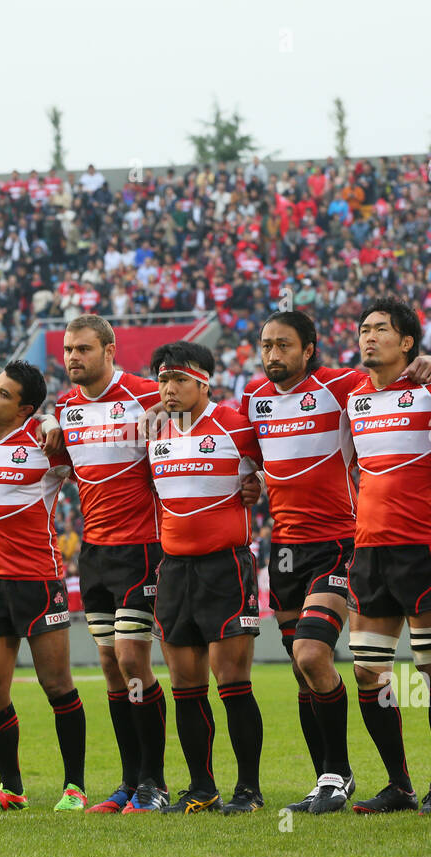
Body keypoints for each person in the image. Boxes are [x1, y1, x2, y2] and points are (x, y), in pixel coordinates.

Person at [245, 311, 431, 813]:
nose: (272, 355)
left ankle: (340, 774)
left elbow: (392, 380)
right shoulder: (252, 399)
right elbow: (246, 458)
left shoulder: (341, 386)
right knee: (301, 670)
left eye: (283, 345)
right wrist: (254, 481)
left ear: (309, 349)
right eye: (266, 345)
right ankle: (332, 779)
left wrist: (428, 363)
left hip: (340, 543)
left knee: (312, 655)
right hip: (283, 550)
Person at [344, 296, 431, 814]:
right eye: (364, 330)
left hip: (424, 546)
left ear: (408, 341)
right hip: (368, 548)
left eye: (380, 330)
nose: (368, 337)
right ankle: (399, 785)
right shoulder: (351, 393)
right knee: (368, 671)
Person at [0, 361, 87, 812]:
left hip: (40, 581)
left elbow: (89, 456)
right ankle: (10, 788)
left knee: (57, 685)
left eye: (4, 393)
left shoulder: (46, 443)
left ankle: (74, 787)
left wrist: (52, 421)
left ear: (25, 408)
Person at [54, 315, 166, 813]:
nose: (73, 357)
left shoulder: (147, 396)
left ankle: (154, 784)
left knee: (131, 659)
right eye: (68, 349)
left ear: (109, 350)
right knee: (109, 665)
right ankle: (128, 783)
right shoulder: (65, 409)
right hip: (94, 552)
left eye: (83, 348)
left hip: (143, 548)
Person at [148, 341, 265, 813]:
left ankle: (250, 790)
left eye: (179, 379)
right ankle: (202, 788)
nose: (169, 389)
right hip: (174, 570)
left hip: (226, 566)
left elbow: (274, 468)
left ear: (204, 381)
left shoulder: (237, 425)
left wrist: (257, 483)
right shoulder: (152, 430)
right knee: (184, 682)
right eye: (162, 379)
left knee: (232, 679)